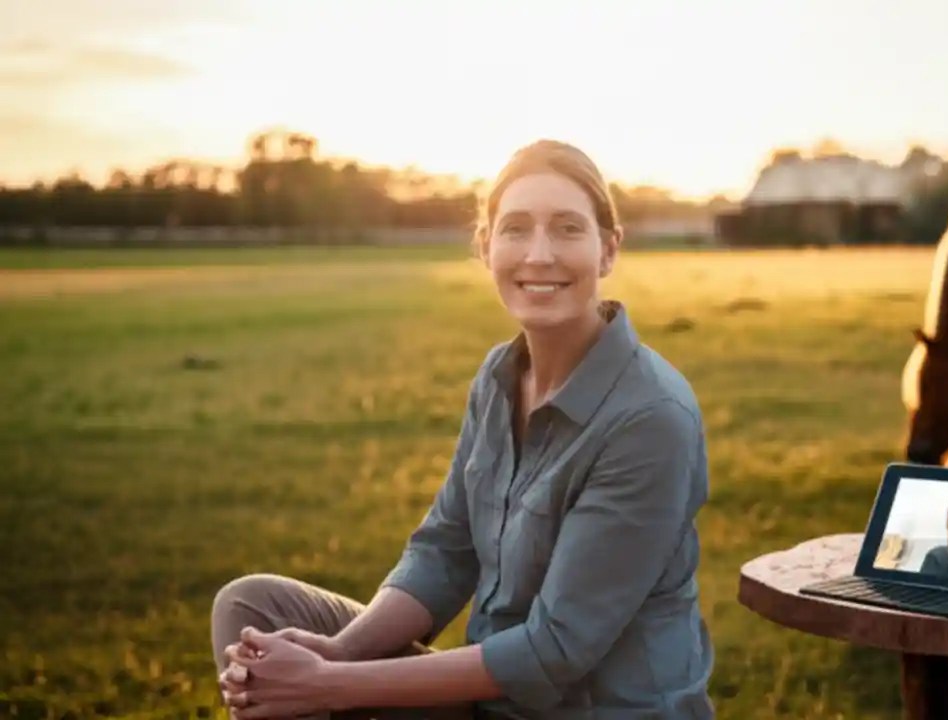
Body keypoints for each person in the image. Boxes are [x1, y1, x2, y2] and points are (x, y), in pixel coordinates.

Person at [210, 139, 715, 719]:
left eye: (569, 229)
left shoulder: (650, 419)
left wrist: (329, 685)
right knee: (254, 608)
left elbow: (553, 650)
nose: (540, 254)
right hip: (489, 703)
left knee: (302, 686)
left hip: (593, 711)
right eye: (516, 229)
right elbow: (445, 551)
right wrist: (339, 652)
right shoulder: (500, 377)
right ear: (485, 247)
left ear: (608, 251)